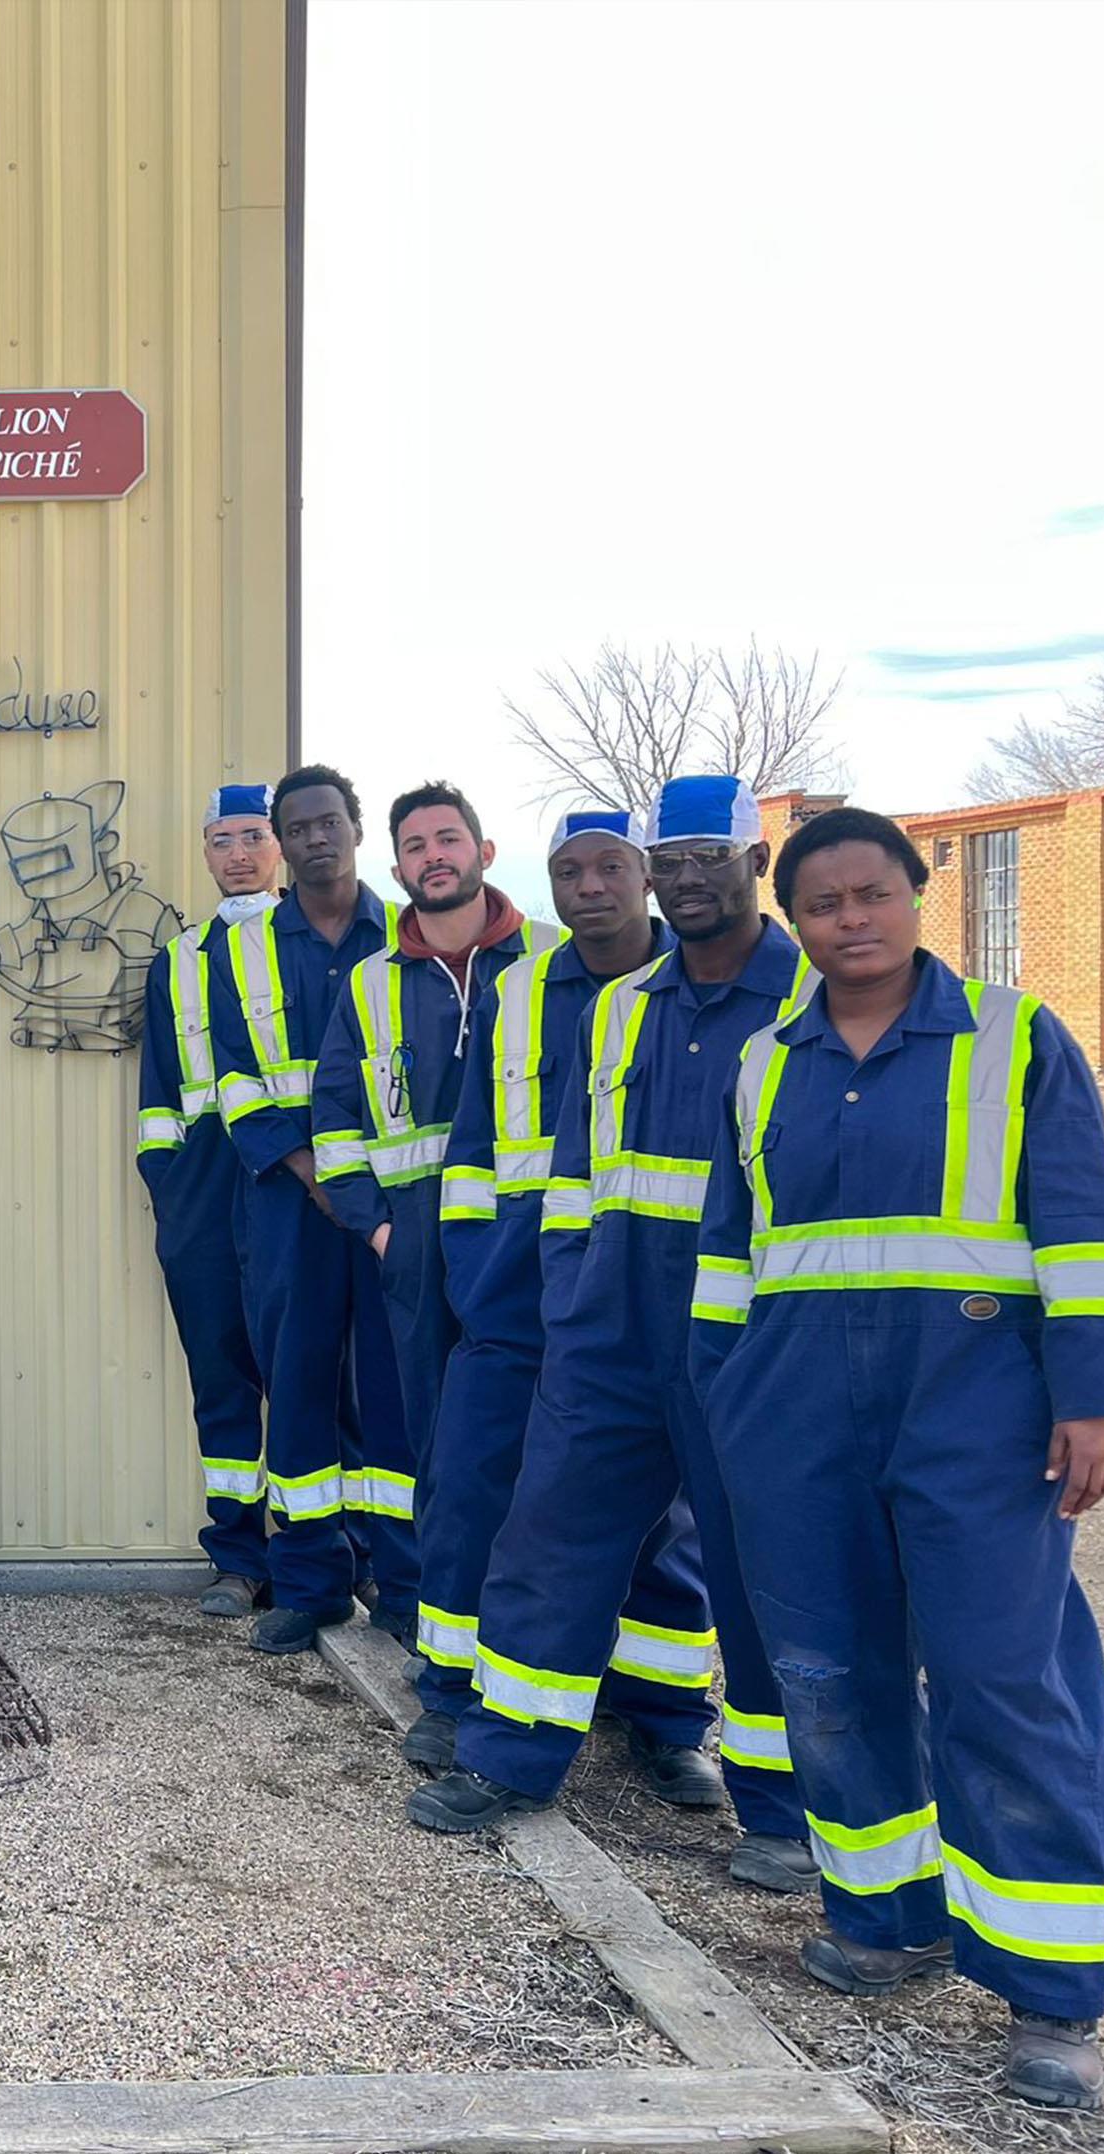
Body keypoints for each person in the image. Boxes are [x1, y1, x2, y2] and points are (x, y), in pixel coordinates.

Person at [691, 805, 1104, 2109]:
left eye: (870, 892)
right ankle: (883, 1920)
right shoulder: (765, 1059)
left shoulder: (1009, 1037)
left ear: (915, 890)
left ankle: (1051, 1991)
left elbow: (1081, 1224)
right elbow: (731, 1252)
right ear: (795, 918)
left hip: (976, 1401)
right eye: (820, 902)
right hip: (792, 1409)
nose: (849, 919)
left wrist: (1094, 1394)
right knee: (828, 1667)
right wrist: (727, 1403)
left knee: (1003, 1676)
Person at [415, 774, 811, 1893]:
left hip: (743, 1343)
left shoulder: (806, 1000)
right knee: (553, 1536)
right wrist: (576, 1300)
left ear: (753, 862)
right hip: (611, 1330)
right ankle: (510, 1759)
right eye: (670, 857)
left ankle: (780, 1811)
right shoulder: (628, 1005)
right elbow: (579, 1178)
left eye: (703, 856)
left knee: (755, 1569)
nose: (685, 878)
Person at [404, 808, 720, 1796]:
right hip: (510, 1302)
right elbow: (470, 1144)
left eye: (610, 867)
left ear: (646, 878)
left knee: (656, 1530)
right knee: (470, 1495)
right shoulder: (520, 988)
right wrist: (468, 1264)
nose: (589, 886)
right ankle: (454, 1694)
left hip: (634, 1304)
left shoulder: (693, 991)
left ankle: (660, 1718)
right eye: (568, 870)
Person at [307, 782, 556, 1639]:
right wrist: (375, 1227)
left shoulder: (552, 962)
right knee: (434, 1442)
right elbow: (335, 1117)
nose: (433, 856)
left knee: (548, 1443)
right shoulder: (374, 984)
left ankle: (543, 1630)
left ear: (485, 853)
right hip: (416, 1246)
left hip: (536, 1241)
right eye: (416, 846)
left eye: (448, 839)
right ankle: (438, 1623)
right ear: (398, 866)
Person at [206, 763, 396, 1654]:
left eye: (331, 821)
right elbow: (238, 1083)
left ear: (355, 828)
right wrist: (322, 1179)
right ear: (283, 839)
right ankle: (312, 1582)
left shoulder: (404, 936)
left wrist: (363, 1195)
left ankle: (402, 1583)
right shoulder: (238, 953)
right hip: (288, 1203)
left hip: (394, 1205)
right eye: (299, 826)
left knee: (397, 1392)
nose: (317, 837)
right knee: (300, 1387)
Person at [135, 783, 283, 1617]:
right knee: (220, 1376)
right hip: (201, 1186)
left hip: (290, 1182)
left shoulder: (312, 943)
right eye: (221, 838)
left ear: (281, 844)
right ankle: (238, 1554)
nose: (237, 852)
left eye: (252, 834)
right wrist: (169, 1183)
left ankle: (326, 1558)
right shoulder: (181, 957)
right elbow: (159, 1086)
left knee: (311, 1377)